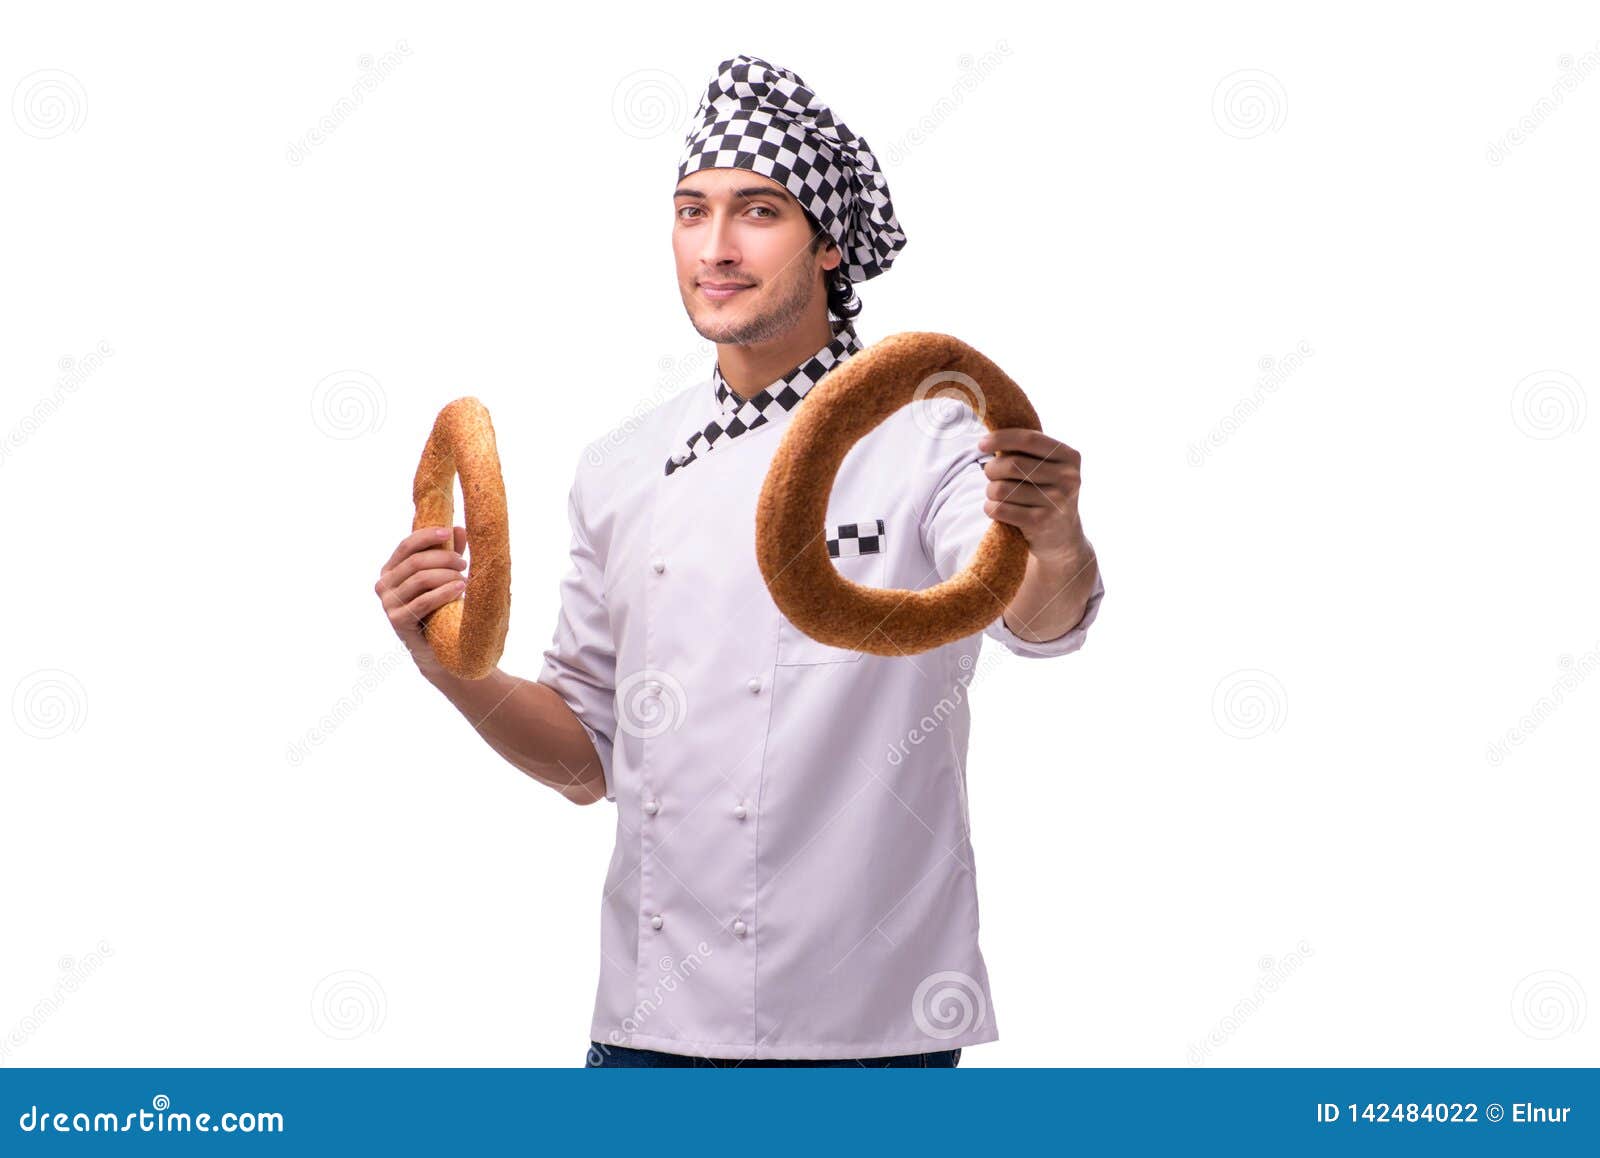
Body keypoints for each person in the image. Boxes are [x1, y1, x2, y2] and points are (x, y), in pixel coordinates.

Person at [374, 54, 1105, 1068]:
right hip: (643, 1038)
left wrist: (1056, 534)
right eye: (690, 211)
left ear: (830, 246)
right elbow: (585, 760)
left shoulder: (931, 432)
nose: (714, 248)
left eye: (757, 211)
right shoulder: (619, 467)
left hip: (871, 1036)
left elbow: (1037, 619)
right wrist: (446, 665)